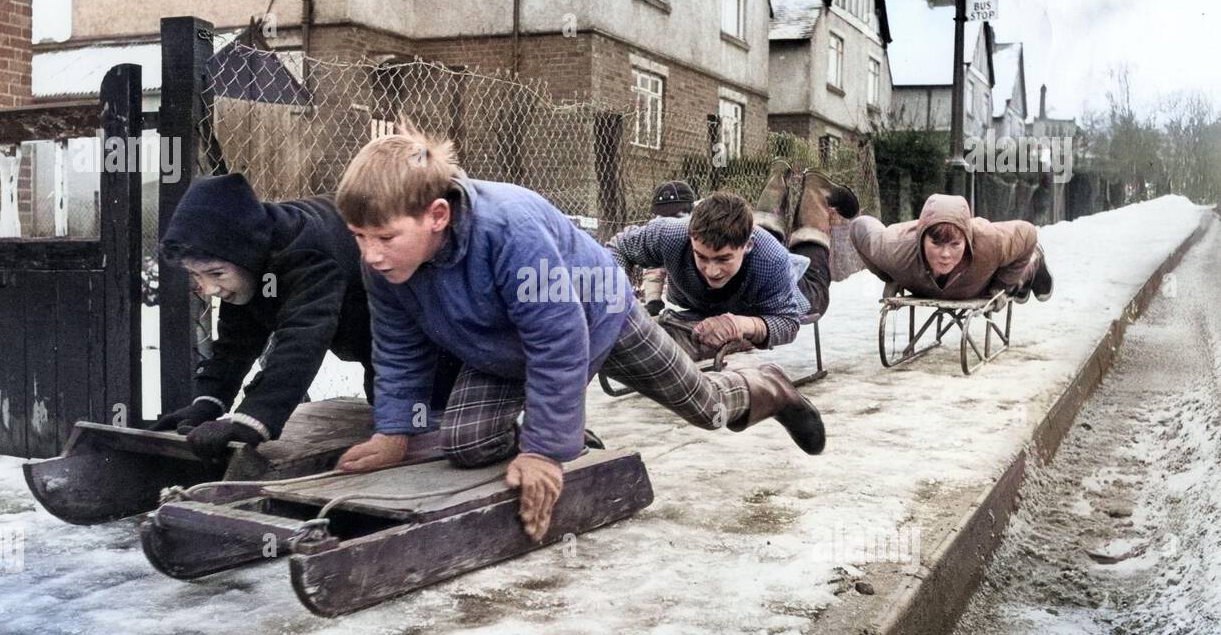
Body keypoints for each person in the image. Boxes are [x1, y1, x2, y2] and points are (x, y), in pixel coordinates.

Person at [332, 126, 827, 543]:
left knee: (705, 407)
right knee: (467, 443)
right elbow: (399, 345)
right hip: (506, 350)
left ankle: (767, 387)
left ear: (437, 215)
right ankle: (573, 435)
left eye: (385, 238)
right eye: (360, 237)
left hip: (599, 315)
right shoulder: (386, 265)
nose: (371, 254)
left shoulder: (508, 230)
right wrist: (394, 430)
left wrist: (543, 451)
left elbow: (559, 339)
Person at [149, 172, 456, 461]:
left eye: (215, 273)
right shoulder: (250, 256)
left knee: (428, 416)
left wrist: (250, 421)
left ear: (246, 253)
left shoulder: (307, 253)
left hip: (428, 323)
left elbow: (302, 340)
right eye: (196, 276)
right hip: (368, 329)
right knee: (387, 410)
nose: (208, 288)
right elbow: (235, 342)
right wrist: (206, 403)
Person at [607, 171, 859, 361]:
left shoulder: (771, 260)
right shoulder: (670, 235)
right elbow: (616, 247)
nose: (711, 271)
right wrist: (618, 308)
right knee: (764, 233)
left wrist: (742, 325)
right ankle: (776, 183)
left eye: (723, 259)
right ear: (690, 237)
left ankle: (816, 192)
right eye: (702, 257)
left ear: (746, 246)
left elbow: (788, 322)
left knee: (809, 247)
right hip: (745, 270)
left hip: (791, 286)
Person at [849, 193, 1053, 302]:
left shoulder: (990, 241)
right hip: (924, 278)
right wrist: (890, 275)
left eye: (955, 245)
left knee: (1014, 278)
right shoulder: (895, 248)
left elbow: (1028, 233)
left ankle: (1035, 264)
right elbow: (859, 227)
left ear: (967, 239)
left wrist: (1002, 285)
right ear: (922, 239)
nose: (945, 255)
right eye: (936, 244)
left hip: (982, 279)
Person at [641, 179, 696, 317]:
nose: (667, 225)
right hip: (679, 302)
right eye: (661, 218)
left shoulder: (708, 229)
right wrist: (654, 300)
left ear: (693, 213)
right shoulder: (658, 234)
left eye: (675, 217)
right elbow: (654, 267)